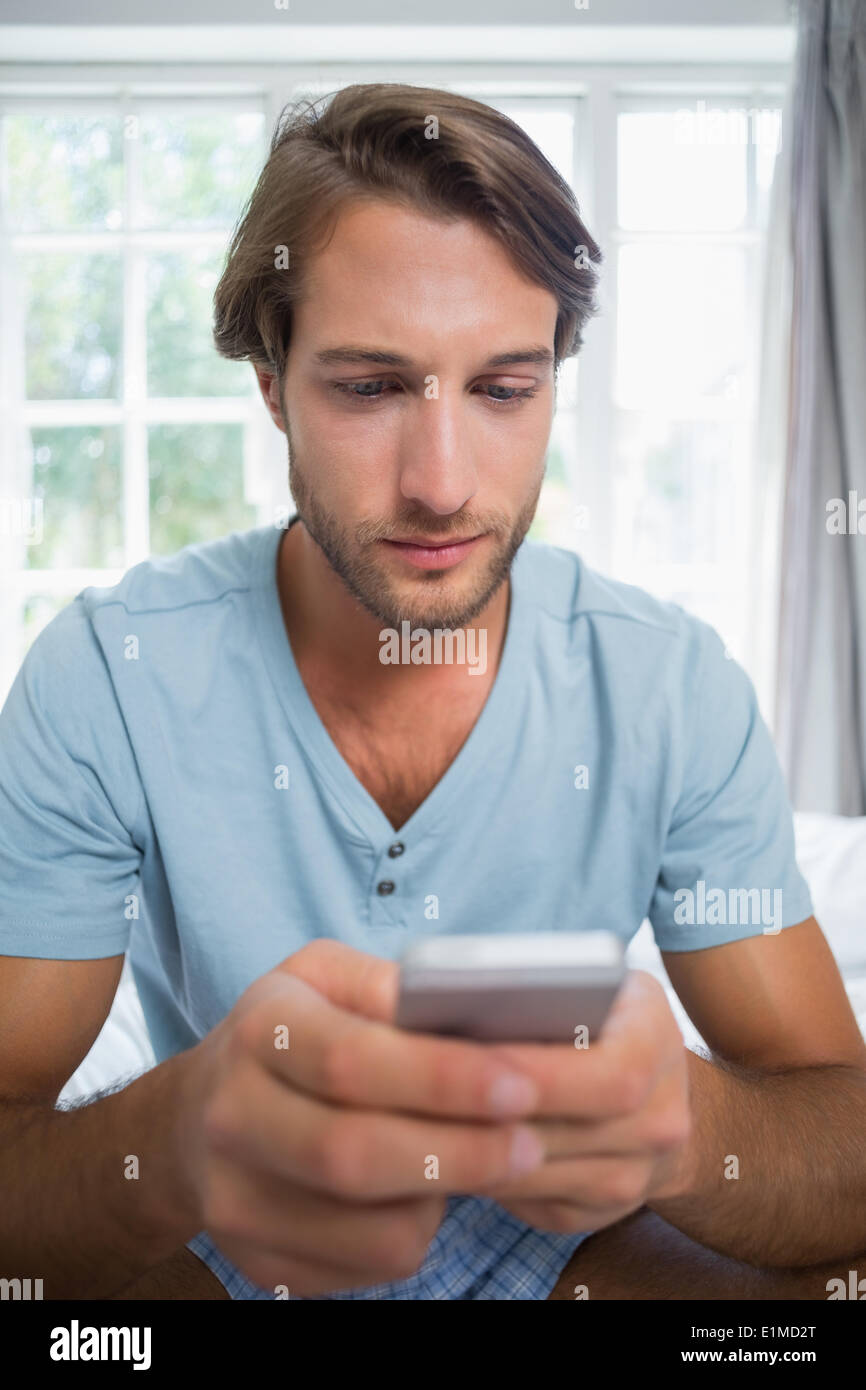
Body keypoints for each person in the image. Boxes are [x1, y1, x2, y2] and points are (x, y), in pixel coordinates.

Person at [2, 83, 865, 1303]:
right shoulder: (106, 675)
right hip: (219, 1238)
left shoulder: (667, 685)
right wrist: (174, 1142)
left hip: (569, 1249)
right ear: (269, 381)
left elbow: (842, 1136)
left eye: (503, 389)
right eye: (368, 387)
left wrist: (680, 1118)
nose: (443, 485)